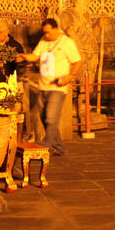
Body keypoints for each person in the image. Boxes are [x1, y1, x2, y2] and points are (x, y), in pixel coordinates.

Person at [17, 18, 81, 157]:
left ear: (56, 29)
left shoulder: (67, 43)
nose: (46, 35)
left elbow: (77, 61)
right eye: (44, 32)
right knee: (44, 116)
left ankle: (47, 142)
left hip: (57, 87)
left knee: (51, 117)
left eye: (48, 32)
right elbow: (36, 55)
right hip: (43, 85)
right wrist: (24, 57)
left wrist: (70, 76)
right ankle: (59, 147)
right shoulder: (44, 41)